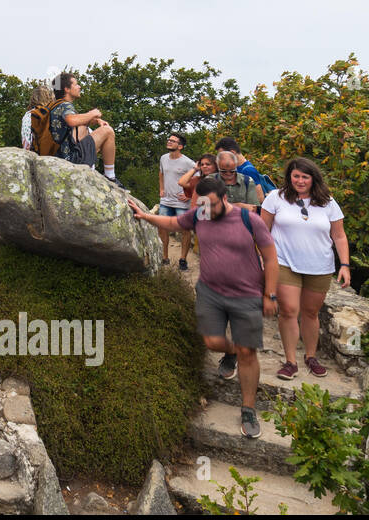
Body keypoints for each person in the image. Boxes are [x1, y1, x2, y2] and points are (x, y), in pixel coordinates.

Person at [130, 176, 278, 438]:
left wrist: (270, 295)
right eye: (202, 205)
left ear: (224, 198)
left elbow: (270, 256)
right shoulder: (200, 214)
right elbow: (174, 222)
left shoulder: (249, 220)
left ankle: (248, 408)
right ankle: (230, 351)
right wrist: (145, 216)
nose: (206, 210)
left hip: (246, 295)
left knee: (249, 352)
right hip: (210, 293)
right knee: (211, 342)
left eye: (210, 204)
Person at [258, 157, 352, 381]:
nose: (300, 181)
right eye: (296, 176)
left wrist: (345, 265)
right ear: (290, 176)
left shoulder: (328, 202)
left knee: (310, 312)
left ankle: (311, 357)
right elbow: (262, 230)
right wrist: (262, 259)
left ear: (313, 179)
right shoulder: (275, 198)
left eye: (305, 177)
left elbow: (339, 235)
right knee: (289, 310)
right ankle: (290, 361)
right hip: (284, 262)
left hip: (319, 265)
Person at [48, 72, 121, 186]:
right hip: (71, 160)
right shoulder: (65, 105)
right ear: (67, 89)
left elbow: (77, 122)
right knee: (108, 131)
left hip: (60, 159)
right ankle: (110, 177)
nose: (79, 87)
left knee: (87, 127)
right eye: (76, 84)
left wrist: (96, 120)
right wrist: (92, 113)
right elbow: (71, 120)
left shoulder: (55, 106)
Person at [157, 132, 197, 270]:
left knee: (185, 230)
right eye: (168, 140)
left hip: (181, 202)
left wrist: (190, 195)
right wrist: (161, 189)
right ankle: (164, 257)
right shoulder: (163, 158)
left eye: (172, 141)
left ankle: (183, 259)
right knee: (162, 228)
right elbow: (161, 173)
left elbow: (198, 179)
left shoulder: (188, 163)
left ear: (180, 146)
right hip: (166, 200)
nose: (169, 142)